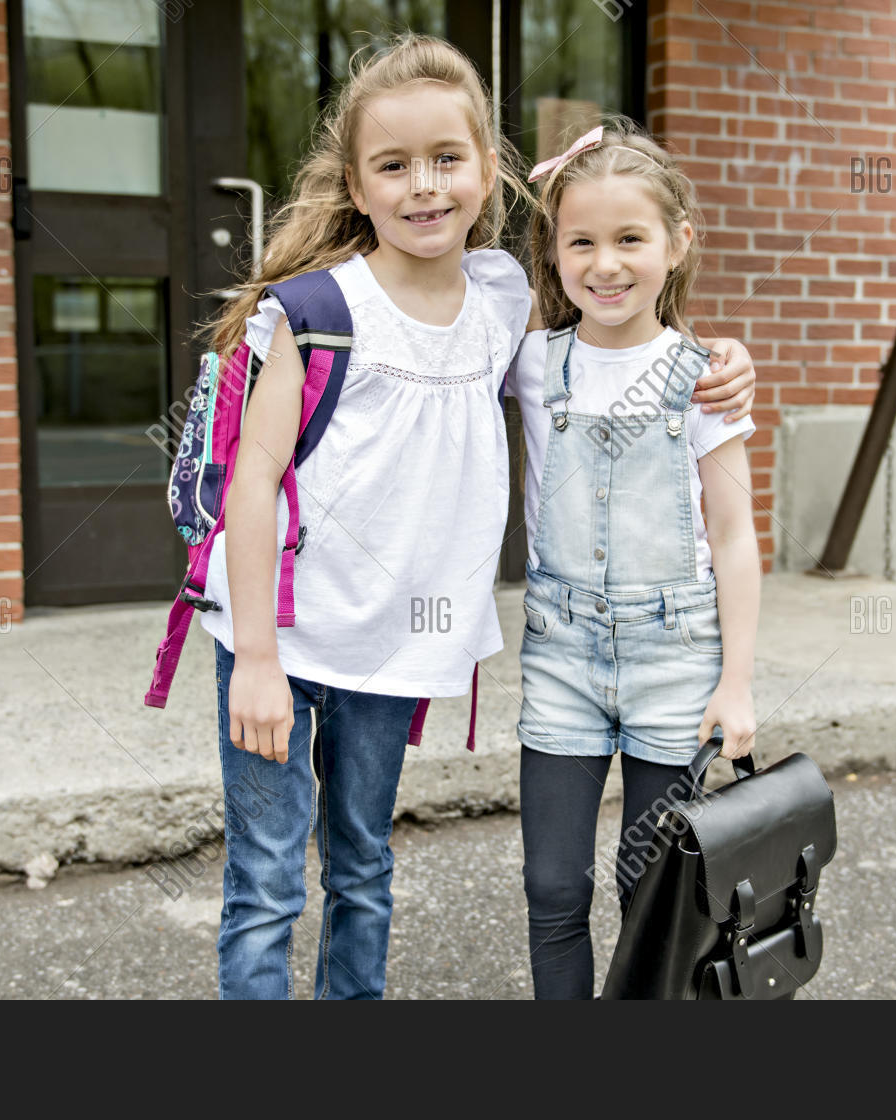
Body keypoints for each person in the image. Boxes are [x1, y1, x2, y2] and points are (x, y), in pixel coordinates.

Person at [197, 36, 757, 999]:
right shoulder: (313, 310)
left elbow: (614, 347)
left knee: (364, 868)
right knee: (266, 880)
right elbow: (253, 484)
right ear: (357, 185)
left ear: (488, 172)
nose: (425, 186)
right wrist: (252, 656)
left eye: (447, 160)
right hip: (278, 643)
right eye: (394, 165)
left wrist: (720, 358)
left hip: (389, 647)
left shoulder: (500, 298)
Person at [508, 119, 764, 999]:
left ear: (677, 243)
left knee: (649, 886)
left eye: (630, 239)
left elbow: (734, 536)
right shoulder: (530, 363)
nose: (605, 264)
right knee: (553, 887)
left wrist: (737, 683)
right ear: (554, 247)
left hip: (676, 657)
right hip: (563, 655)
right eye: (581, 240)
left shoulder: (703, 374)